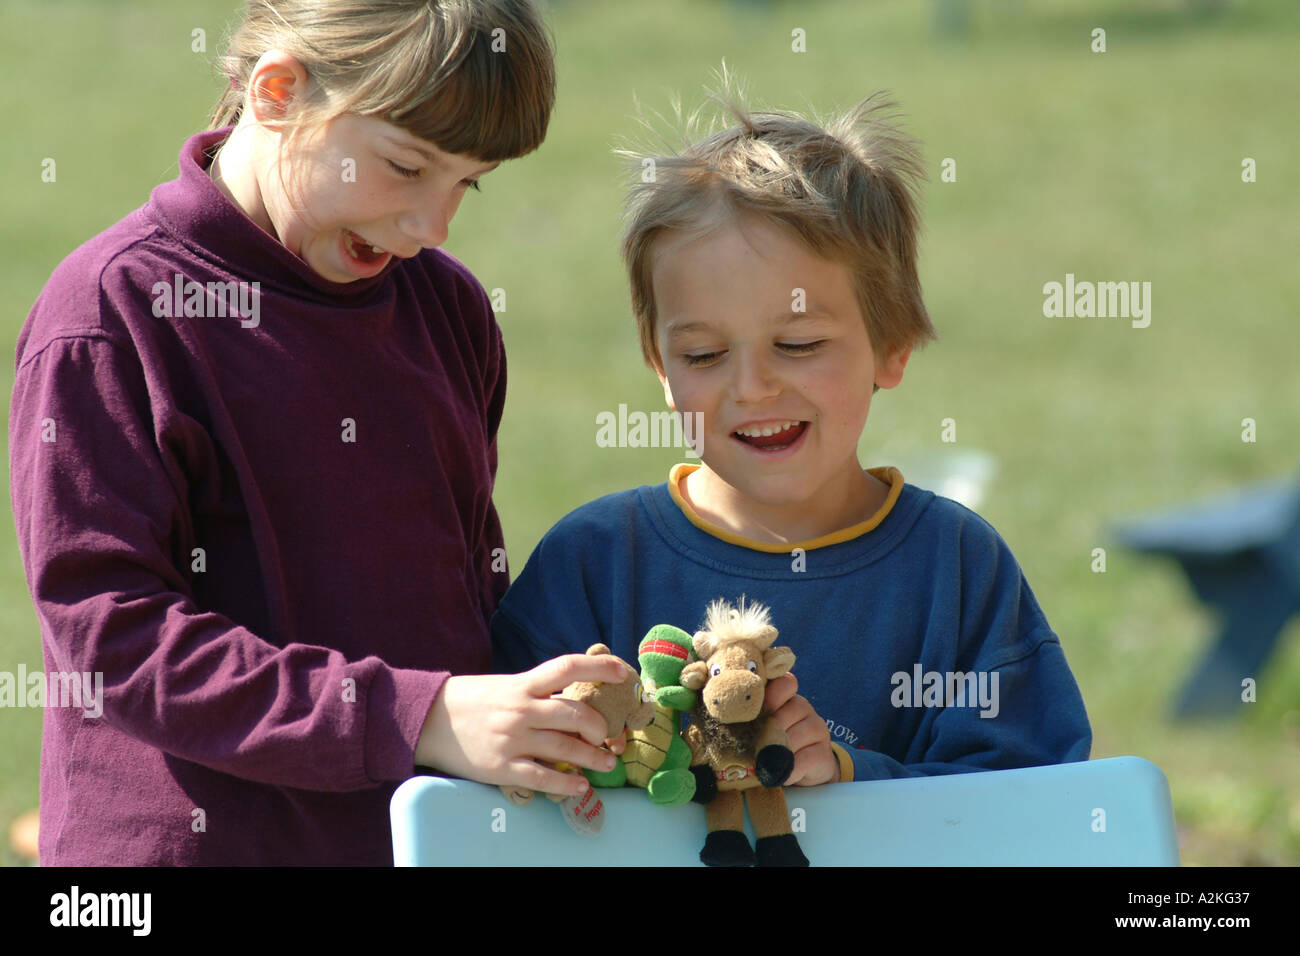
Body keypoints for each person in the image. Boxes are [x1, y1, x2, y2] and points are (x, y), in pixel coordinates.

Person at [8, 0, 628, 867]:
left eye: (467, 182)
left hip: (422, 846)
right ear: (277, 93)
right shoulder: (115, 314)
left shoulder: (448, 311)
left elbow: (464, 599)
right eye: (406, 166)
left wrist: (558, 705)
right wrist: (418, 717)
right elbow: (113, 643)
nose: (432, 225)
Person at [492, 86, 1092, 795]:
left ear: (892, 347)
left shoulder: (956, 569)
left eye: (799, 343)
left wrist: (843, 776)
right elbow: (498, 790)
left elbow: (1033, 803)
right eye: (705, 356)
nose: (753, 388)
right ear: (659, 368)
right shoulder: (592, 563)